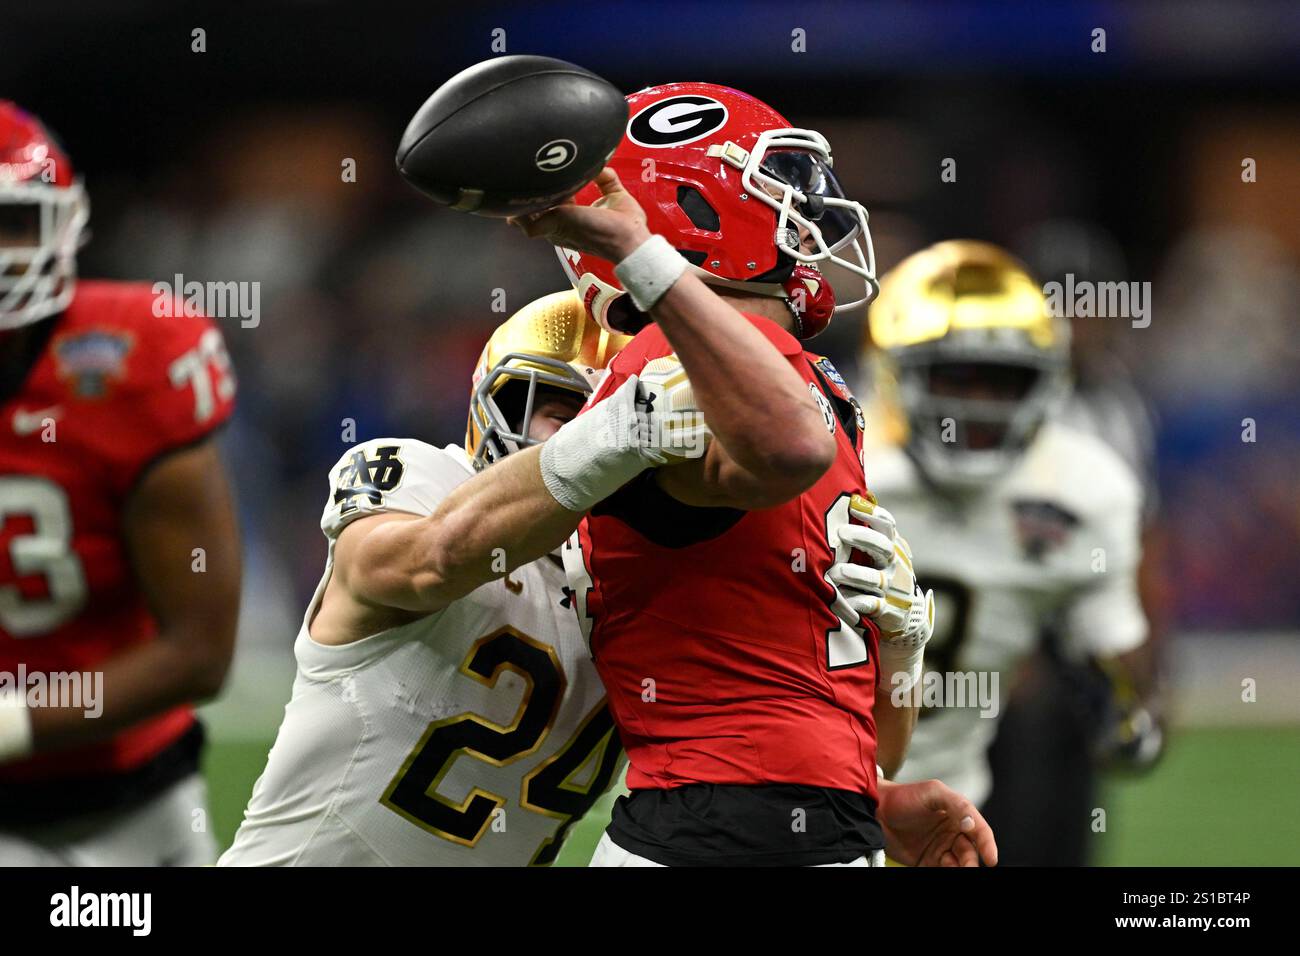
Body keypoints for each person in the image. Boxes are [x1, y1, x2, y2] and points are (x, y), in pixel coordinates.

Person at [515, 83, 989, 867]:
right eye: (779, 189)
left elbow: (852, 739)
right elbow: (779, 452)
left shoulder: (802, 374)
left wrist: (902, 646)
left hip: (794, 824)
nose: (814, 215)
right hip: (715, 829)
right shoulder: (679, 371)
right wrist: (650, 267)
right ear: (690, 217)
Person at [221, 291, 665, 865]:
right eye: (565, 415)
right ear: (498, 408)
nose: (587, 435)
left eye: (605, 417)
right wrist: (606, 434)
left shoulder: (645, 582)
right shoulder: (426, 481)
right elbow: (423, 564)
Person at [0, 101, 240, 865]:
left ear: (61, 225)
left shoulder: (133, 360)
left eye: (10, 220)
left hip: (137, 803)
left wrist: (9, 723)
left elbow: (200, 652)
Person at [850, 239, 1161, 819]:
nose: (977, 407)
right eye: (957, 378)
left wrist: (1116, 697)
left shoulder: (1083, 491)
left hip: (948, 813)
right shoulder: (840, 465)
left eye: (1002, 382)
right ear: (891, 374)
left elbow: (1122, 683)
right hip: (803, 797)